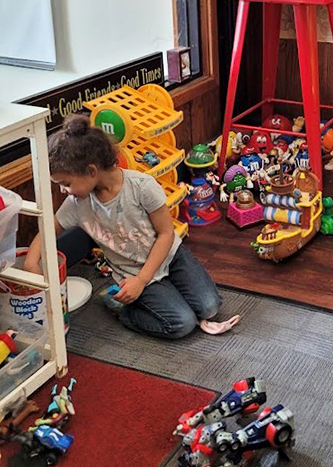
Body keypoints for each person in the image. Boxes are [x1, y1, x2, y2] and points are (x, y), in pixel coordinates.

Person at [23, 116, 221, 339]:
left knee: (210, 308)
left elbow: (166, 234)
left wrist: (143, 281)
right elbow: (49, 228)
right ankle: (121, 308)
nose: (62, 192)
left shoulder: (141, 187)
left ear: (91, 171)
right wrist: (31, 260)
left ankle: (156, 293)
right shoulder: (77, 204)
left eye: (65, 184)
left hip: (169, 257)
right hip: (131, 272)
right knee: (182, 324)